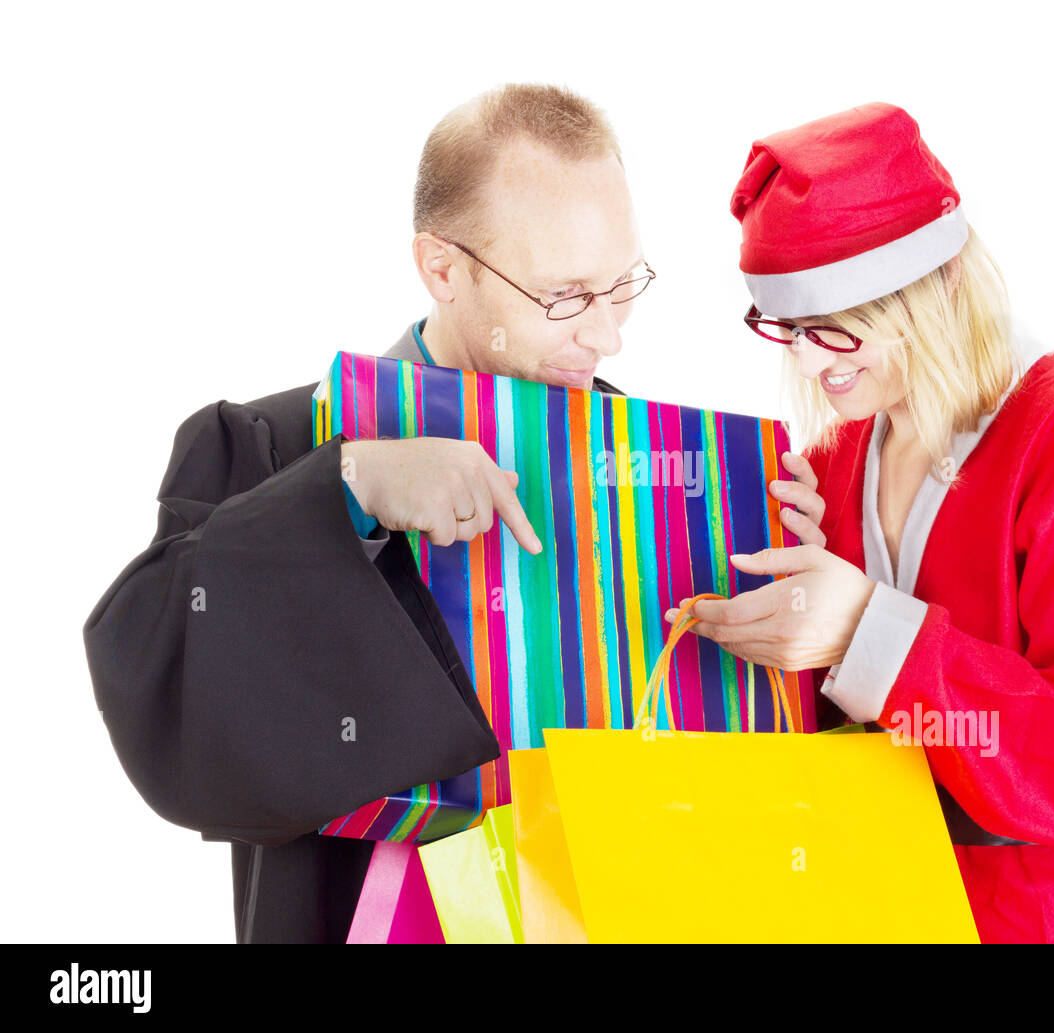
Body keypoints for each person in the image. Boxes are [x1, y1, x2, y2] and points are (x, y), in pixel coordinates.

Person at [84, 83, 654, 943]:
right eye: (565, 296)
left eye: (623, 287)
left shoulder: (655, 469)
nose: (608, 337)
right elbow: (153, 678)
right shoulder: (272, 444)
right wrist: (347, 489)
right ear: (442, 268)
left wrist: (791, 563)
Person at [670, 103, 1054, 943]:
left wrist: (864, 628)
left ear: (938, 285)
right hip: (878, 904)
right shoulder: (840, 455)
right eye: (790, 331)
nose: (813, 364)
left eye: (840, 330)